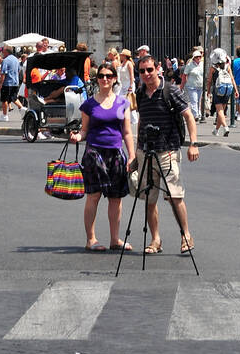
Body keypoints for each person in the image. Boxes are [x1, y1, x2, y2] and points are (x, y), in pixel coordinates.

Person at [134, 55, 199, 254]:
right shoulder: (140, 92)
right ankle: (155, 240)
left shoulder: (170, 90)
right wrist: (136, 152)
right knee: (149, 198)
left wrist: (193, 144)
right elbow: (141, 121)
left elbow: (188, 116)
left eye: (149, 70)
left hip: (168, 150)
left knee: (174, 195)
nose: (146, 74)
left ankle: (186, 235)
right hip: (146, 151)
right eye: (142, 71)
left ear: (157, 69)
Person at [70, 62, 137, 252]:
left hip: (116, 153)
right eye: (101, 76)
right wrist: (77, 137)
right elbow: (84, 130)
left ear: (115, 78)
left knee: (116, 198)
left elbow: (126, 132)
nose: (105, 79)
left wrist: (131, 155)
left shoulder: (122, 102)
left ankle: (115, 239)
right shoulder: (89, 104)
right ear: (97, 79)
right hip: (94, 153)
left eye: (108, 75)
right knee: (93, 196)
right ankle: (91, 239)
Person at [208, 53, 237, 137]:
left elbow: (209, 81)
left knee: (220, 111)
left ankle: (225, 127)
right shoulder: (228, 67)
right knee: (221, 112)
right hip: (227, 90)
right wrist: (235, 90)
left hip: (218, 90)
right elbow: (232, 79)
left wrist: (208, 91)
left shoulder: (213, 68)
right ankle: (216, 130)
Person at [0, 45, 22, 119]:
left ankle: (4, 116)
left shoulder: (5, 60)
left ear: (6, 51)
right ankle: (22, 108)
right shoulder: (16, 60)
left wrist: (1, 84)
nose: (2, 52)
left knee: (4, 99)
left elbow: (3, 73)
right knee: (13, 98)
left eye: (3, 51)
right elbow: (19, 70)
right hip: (15, 82)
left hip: (7, 83)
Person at [181, 48, 205, 120]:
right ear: (194, 58)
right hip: (191, 86)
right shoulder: (189, 65)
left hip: (200, 85)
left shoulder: (202, 64)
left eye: (200, 57)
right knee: (194, 100)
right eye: (197, 57)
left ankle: (199, 113)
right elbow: (184, 75)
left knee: (199, 100)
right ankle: (195, 115)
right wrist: (182, 85)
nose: (198, 58)